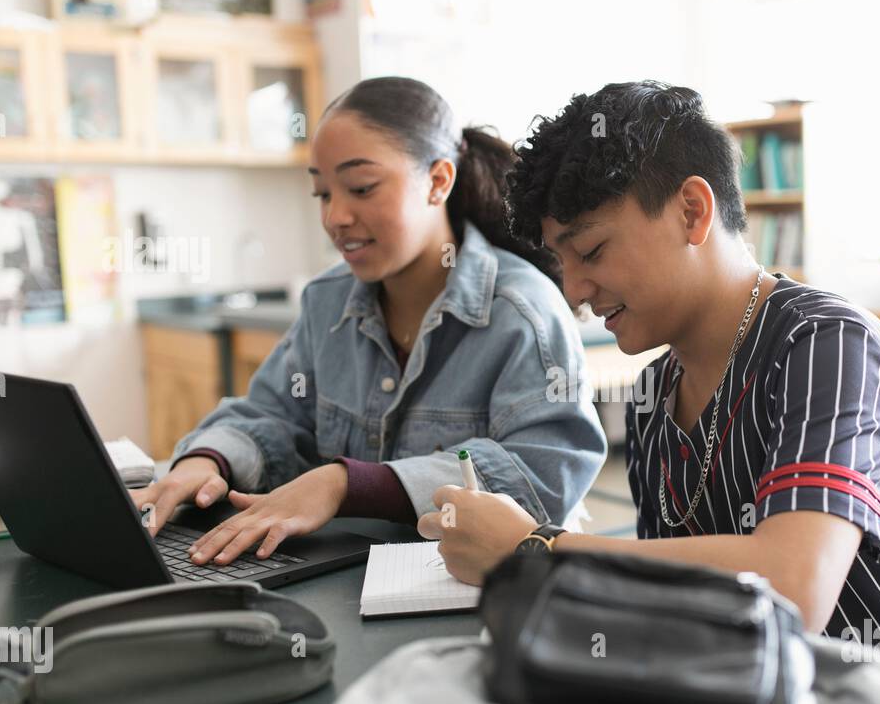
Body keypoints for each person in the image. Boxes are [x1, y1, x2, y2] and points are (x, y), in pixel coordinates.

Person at [423, 82, 880, 680]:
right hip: (730, 698)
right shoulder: (655, 391)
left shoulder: (829, 344)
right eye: (565, 264)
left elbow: (795, 587)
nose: (576, 292)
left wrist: (537, 550)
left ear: (692, 210)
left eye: (593, 250)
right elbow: (669, 591)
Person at [131, 77, 606, 567]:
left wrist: (344, 484)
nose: (335, 216)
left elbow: (543, 475)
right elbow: (270, 416)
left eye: (361, 188)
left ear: (438, 181)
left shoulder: (520, 311)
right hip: (348, 586)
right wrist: (208, 460)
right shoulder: (327, 303)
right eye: (322, 193)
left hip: (478, 600)